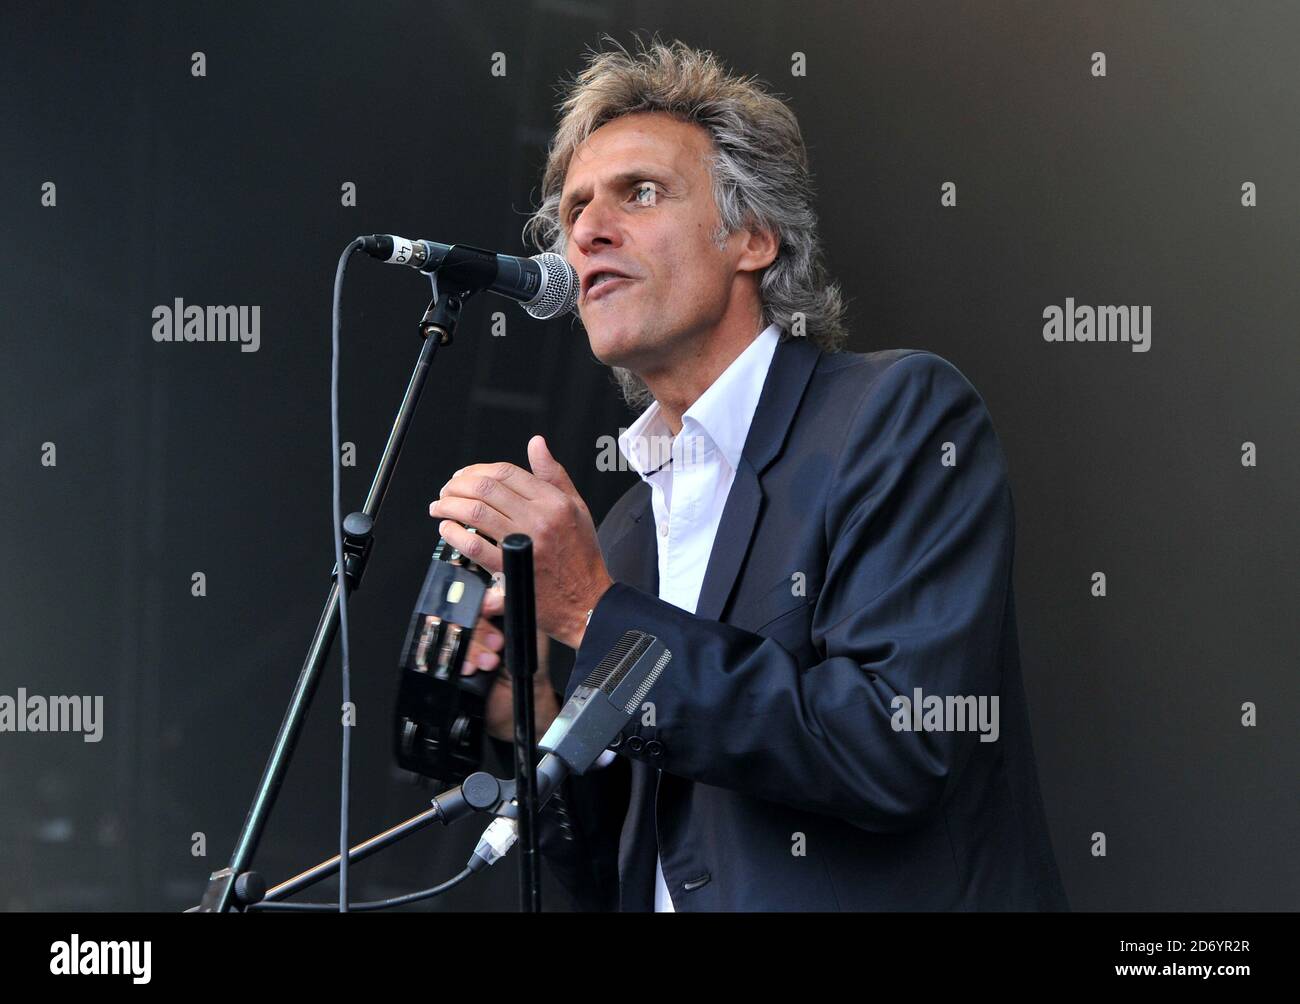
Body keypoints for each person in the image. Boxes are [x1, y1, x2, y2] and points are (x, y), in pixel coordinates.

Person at [428, 36, 1068, 911]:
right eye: (574, 209)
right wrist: (537, 720)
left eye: (639, 193)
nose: (586, 230)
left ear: (755, 237)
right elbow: (627, 875)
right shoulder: (626, 531)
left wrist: (591, 610)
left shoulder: (896, 413)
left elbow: (895, 745)